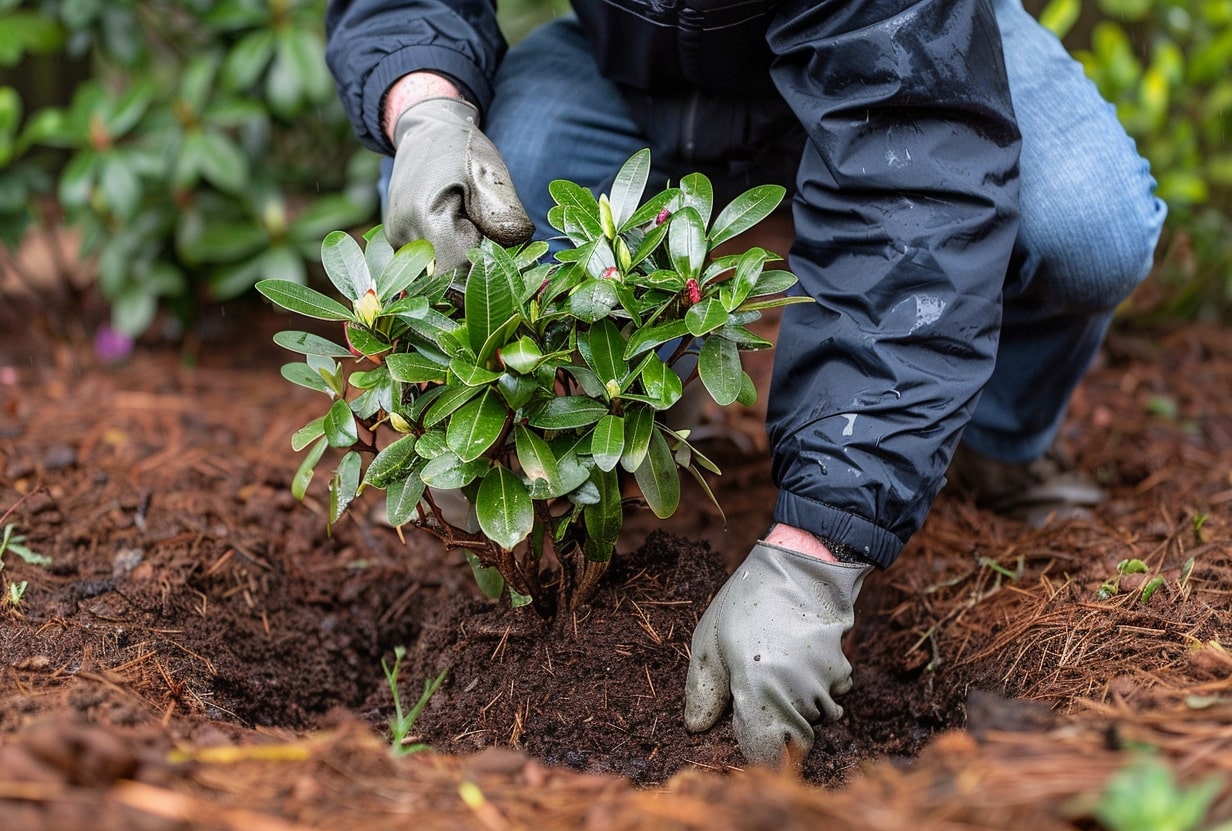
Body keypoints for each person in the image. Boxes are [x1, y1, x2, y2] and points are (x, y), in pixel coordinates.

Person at [324, 0, 1166, 770]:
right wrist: (425, 102)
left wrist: (822, 548)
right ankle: (631, 406)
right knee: (495, 216)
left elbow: (913, 177)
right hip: (632, 63)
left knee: (1089, 225)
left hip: (916, 49)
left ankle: (990, 438)